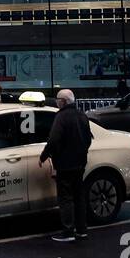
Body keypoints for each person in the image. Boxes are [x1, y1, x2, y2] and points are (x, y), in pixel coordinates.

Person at [39, 88, 94, 242]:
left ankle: (68, 232)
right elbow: (88, 139)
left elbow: (54, 139)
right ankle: (82, 229)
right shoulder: (82, 115)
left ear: (63, 101)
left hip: (64, 163)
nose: (56, 101)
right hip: (80, 162)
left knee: (65, 198)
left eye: (58, 99)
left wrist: (44, 156)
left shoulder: (61, 117)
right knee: (79, 197)